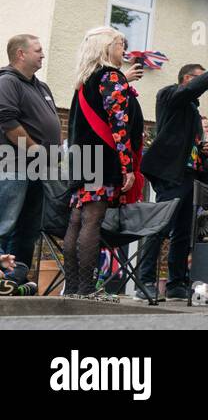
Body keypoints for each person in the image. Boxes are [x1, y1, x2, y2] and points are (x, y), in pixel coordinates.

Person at [136, 48, 208, 301]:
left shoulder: (192, 110)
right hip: (170, 173)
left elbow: (188, 144)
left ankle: (176, 284)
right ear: (186, 79)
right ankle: (144, 282)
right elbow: (189, 92)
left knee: (183, 231)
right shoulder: (169, 95)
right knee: (160, 226)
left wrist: (203, 150)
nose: (202, 81)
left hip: (188, 174)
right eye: (199, 77)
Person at [62, 27, 146, 300]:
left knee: (77, 220)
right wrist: (127, 166)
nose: (125, 51)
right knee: (92, 221)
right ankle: (86, 289)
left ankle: (73, 288)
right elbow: (118, 124)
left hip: (82, 157)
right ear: (106, 47)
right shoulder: (111, 76)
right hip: (102, 158)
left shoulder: (84, 79)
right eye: (120, 45)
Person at [0, 34, 64, 273]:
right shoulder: (7, 82)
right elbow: (6, 120)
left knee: (29, 227)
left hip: (40, 168)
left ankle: (16, 277)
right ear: (21, 54)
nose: (43, 55)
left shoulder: (40, 85)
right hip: (14, 165)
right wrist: (35, 149)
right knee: (5, 223)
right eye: (38, 50)